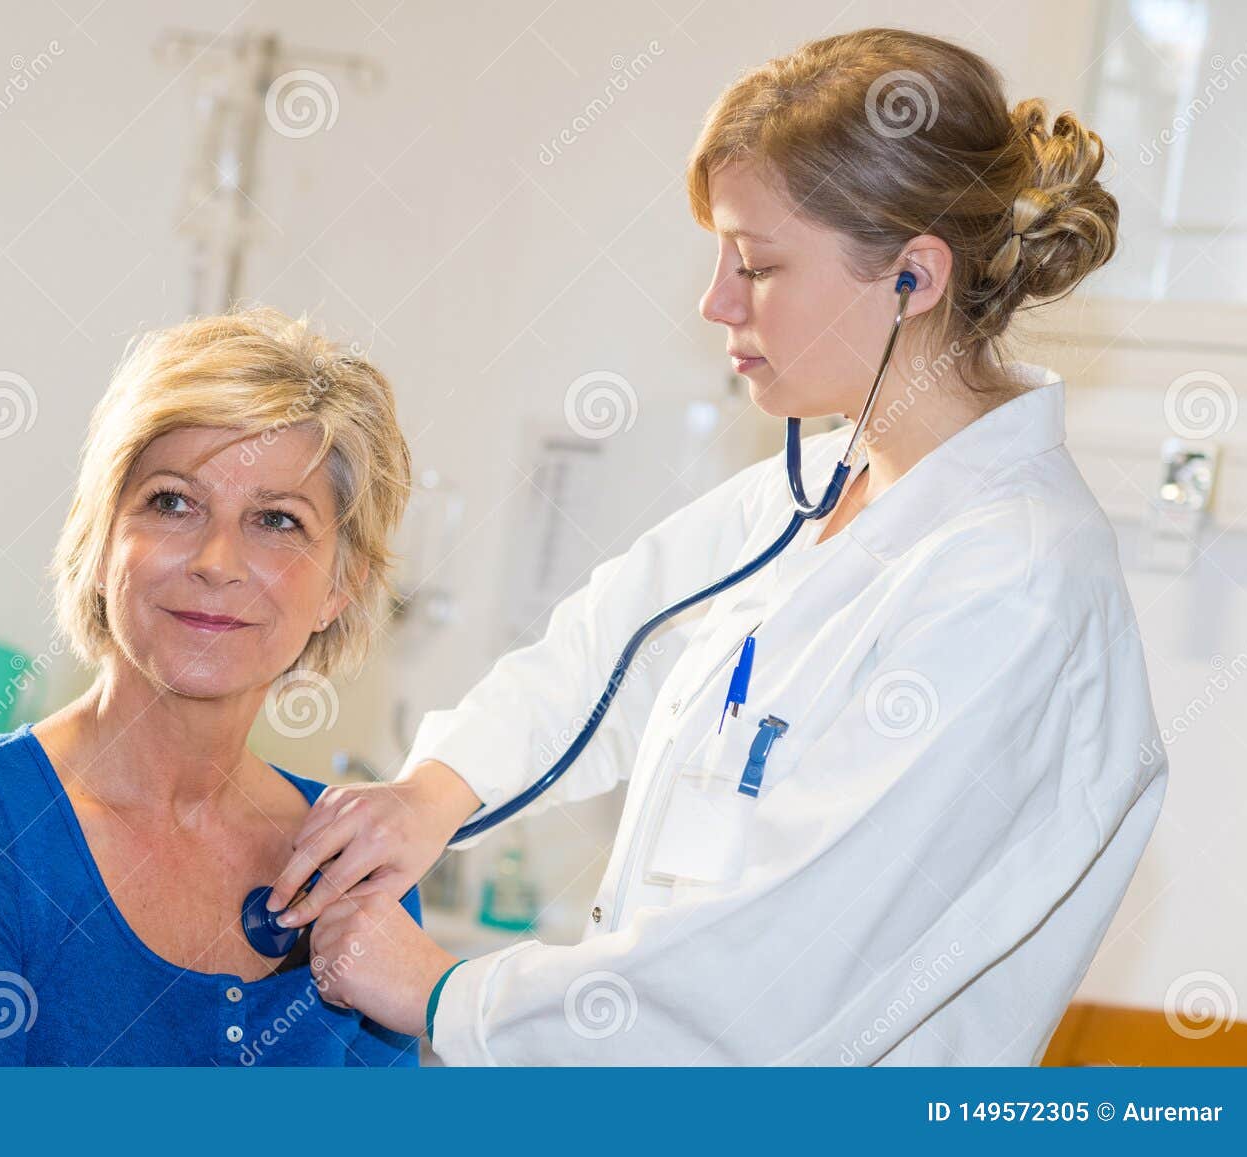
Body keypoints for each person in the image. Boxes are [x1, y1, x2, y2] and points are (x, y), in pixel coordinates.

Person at [265, 28, 1167, 1065]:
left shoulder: (1016, 580)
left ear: (913, 278)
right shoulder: (798, 500)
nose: (714, 303)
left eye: (757, 264)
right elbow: (604, 658)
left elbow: (774, 975)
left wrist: (445, 994)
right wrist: (433, 795)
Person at [0, 308, 419, 1066]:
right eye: (174, 502)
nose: (217, 560)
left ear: (341, 585)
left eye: (276, 519)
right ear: (103, 537)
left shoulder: (357, 864)